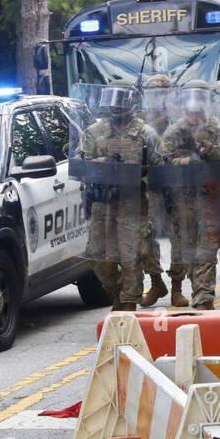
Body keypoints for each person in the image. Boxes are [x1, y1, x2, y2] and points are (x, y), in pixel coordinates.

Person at [76, 85, 160, 311]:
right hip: (102, 203)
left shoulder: (145, 133)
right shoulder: (95, 132)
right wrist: (103, 165)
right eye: (112, 99)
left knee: (129, 255)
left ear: (132, 102)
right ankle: (117, 293)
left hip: (132, 203)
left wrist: (142, 175)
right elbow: (81, 162)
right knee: (98, 256)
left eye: (121, 99)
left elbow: (161, 166)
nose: (116, 105)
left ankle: (129, 302)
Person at [156, 81, 220, 309]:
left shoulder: (217, 128)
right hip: (183, 200)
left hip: (210, 198)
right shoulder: (175, 131)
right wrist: (186, 161)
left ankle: (203, 299)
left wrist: (211, 152)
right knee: (185, 250)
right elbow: (162, 160)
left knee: (207, 249)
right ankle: (185, 288)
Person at [137, 74, 183, 307]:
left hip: (175, 187)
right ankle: (156, 282)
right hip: (148, 187)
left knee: (179, 238)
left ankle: (177, 287)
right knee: (145, 240)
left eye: (162, 94)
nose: (158, 100)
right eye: (153, 94)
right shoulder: (140, 122)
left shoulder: (180, 119)